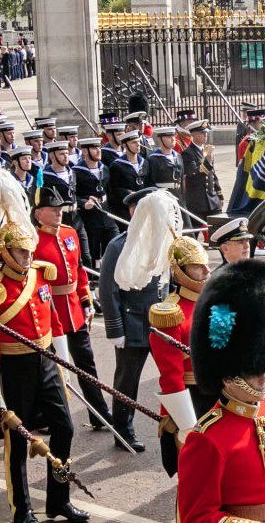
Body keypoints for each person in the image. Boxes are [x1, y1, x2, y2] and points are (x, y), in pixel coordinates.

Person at [0, 171, 89, 523]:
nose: (26, 255)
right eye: (20, 251)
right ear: (5, 251)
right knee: (17, 439)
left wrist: (63, 364)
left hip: (46, 361)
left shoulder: (39, 275)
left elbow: (53, 320)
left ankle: (58, 501)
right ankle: (21, 508)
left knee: (64, 427)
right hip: (14, 368)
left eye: (28, 250)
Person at [178, 259, 265, 521]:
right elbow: (198, 516)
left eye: (263, 369)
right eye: (251, 371)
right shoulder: (207, 440)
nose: (262, 379)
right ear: (227, 377)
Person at [115, 190, 213, 474]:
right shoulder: (168, 314)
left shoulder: (214, 303)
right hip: (190, 400)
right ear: (180, 271)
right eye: (198, 268)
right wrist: (187, 424)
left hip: (217, 395)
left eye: (206, 265)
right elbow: (171, 376)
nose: (206, 272)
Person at [32, 185, 112, 430]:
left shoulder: (70, 233)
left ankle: (98, 412)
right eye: (53, 210)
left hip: (74, 310)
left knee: (86, 363)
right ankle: (44, 416)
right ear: (38, 214)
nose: (58, 213)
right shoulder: (33, 240)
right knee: (50, 368)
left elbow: (78, 271)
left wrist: (86, 301)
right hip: (49, 311)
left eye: (60, 209)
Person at [99, 187, 164, 453]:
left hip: (161, 322)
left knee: (174, 376)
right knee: (127, 381)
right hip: (133, 323)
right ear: (133, 212)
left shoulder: (161, 241)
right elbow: (107, 289)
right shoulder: (119, 245)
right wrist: (115, 328)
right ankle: (123, 429)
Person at [74, 138, 118, 270]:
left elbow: (110, 191)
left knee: (114, 245)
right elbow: (73, 195)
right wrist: (83, 203)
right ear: (85, 152)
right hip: (90, 218)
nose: (99, 150)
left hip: (107, 216)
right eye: (94, 148)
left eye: (99, 147)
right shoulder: (76, 171)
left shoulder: (104, 168)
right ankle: (95, 279)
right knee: (94, 253)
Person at [180, 119, 223, 220]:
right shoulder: (187, 153)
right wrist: (207, 161)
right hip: (197, 203)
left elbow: (212, 174)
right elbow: (193, 173)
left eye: (206, 133)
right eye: (202, 133)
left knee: (217, 230)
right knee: (194, 233)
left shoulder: (207, 150)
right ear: (193, 134)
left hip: (212, 201)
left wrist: (219, 194)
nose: (205, 135)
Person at [107, 130, 149, 225]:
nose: (138, 145)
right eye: (134, 142)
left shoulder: (145, 162)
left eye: (139, 142)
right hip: (125, 209)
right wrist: (129, 194)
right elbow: (114, 189)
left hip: (144, 206)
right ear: (125, 145)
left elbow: (148, 182)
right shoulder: (117, 165)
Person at [146, 126, 184, 203]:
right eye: (169, 137)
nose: (173, 139)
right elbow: (149, 182)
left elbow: (182, 177)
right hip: (162, 198)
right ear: (160, 139)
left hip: (178, 196)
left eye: (173, 136)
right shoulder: (153, 158)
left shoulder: (178, 155)